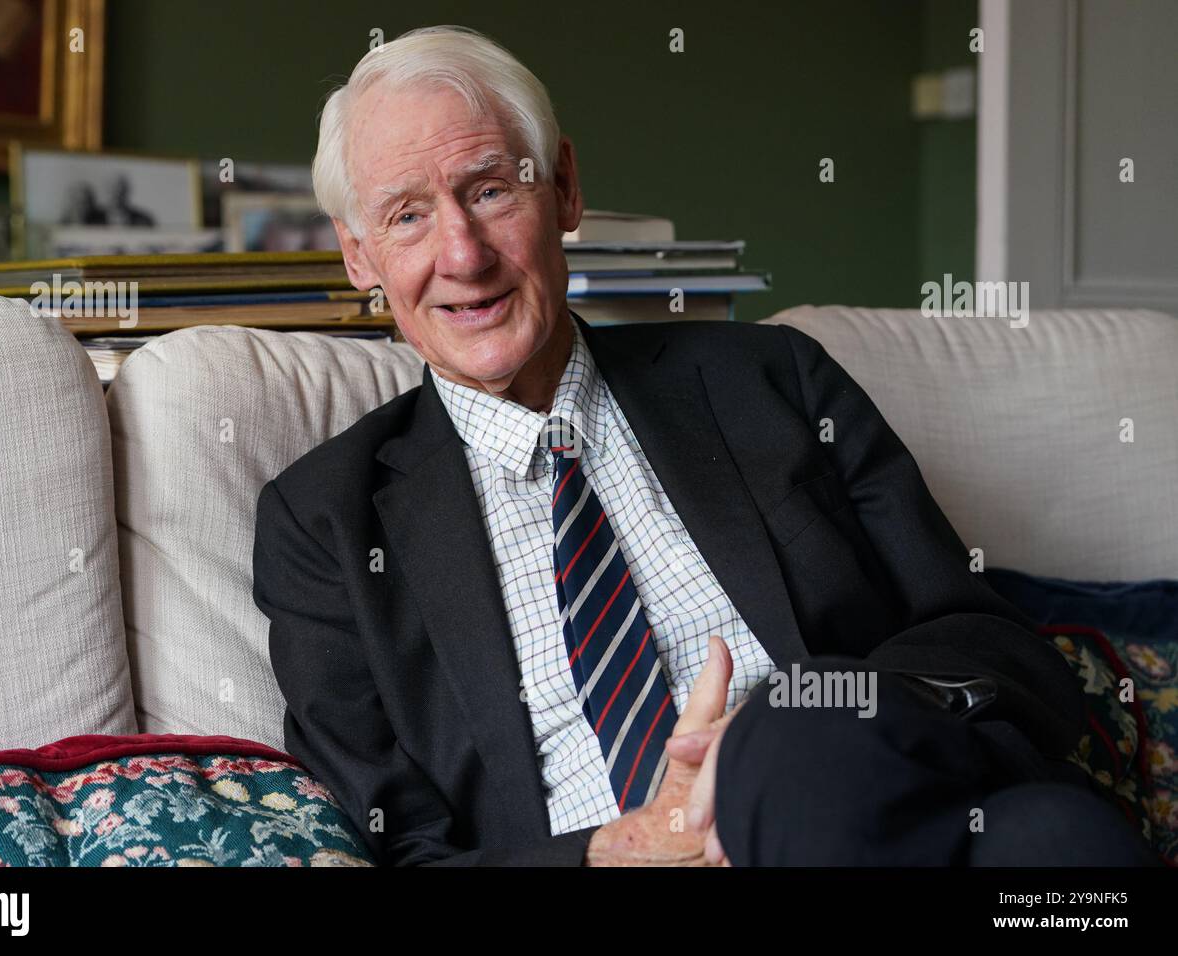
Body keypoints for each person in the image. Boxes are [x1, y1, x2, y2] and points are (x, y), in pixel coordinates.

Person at [252, 25, 1158, 867]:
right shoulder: (324, 524)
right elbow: (398, 847)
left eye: (490, 189)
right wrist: (633, 844)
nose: (463, 252)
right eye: (407, 216)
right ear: (360, 257)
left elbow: (987, 644)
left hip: (873, 801)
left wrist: (817, 727)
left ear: (563, 187)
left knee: (1058, 838)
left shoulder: (769, 382)